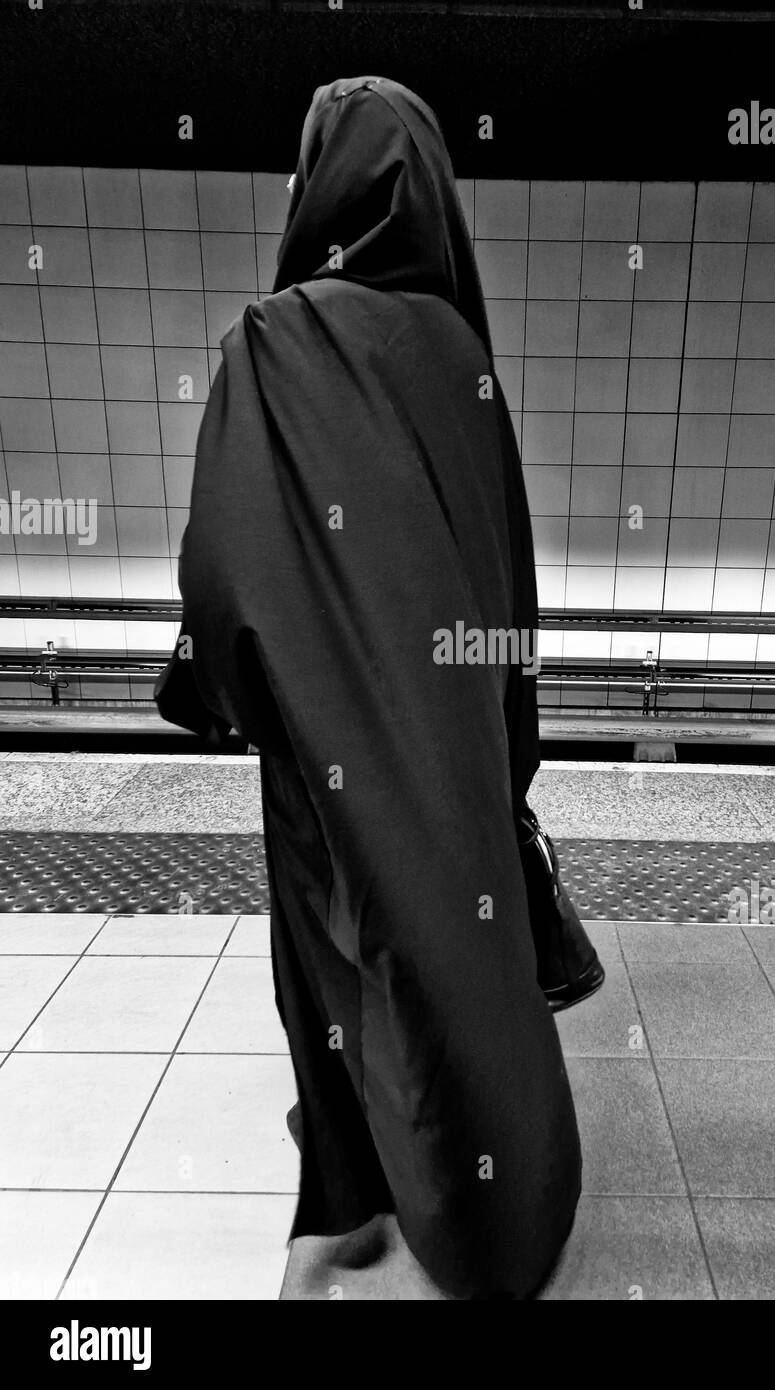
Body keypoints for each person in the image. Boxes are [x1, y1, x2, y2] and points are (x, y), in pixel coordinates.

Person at [154, 75, 582, 1300]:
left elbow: (226, 560)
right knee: (452, 950)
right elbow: (507, 571)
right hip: (451, 735)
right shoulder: (460, 354)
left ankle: (344, 1202)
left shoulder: (269, 341)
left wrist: (228, 681)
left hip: (314, 748)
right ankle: (477, 1197)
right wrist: (503, 739)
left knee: (333, 961)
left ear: (321, 185)